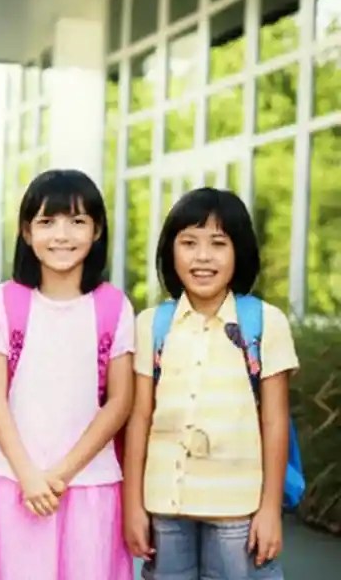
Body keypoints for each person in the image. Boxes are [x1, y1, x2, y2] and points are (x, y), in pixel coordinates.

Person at [0, 169, 134, 580]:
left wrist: (60, 475)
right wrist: (28, 474)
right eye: (47, 221)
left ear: (96, 231)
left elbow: (120, 401)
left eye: (77, 221)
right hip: (12, 481)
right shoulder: (6, 300)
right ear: (27, 232)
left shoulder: (114, 306)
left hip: (90, 486)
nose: (62, 234)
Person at [122, 188, 298, 579]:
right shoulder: (152, 324)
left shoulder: (265, 323)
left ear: (241, 251)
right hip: (165, 503)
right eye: (189, 243)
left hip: (238, 508)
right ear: (171, 251)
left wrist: (270, 510)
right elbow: (139, 420)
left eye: (218, 243)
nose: (203, 256)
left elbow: (275, 422)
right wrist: (133, 504)